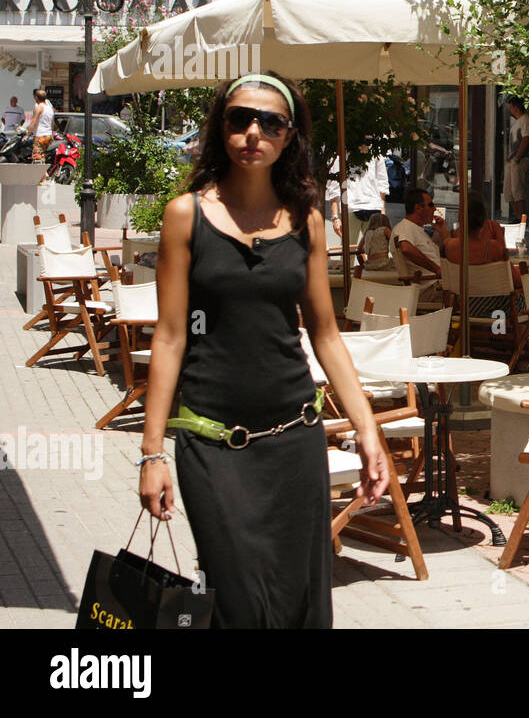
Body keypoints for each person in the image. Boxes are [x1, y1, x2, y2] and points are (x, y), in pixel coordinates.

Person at [137, 73, 387, 628]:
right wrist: (153, 453)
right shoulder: (186, 216)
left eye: (270, 122)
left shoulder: (307, 223)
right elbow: (171, 337)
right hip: (212, 443)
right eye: (240, 118)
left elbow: (325, 332)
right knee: (240, 604)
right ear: (221, 126)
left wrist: (367, 429)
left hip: (294, 439)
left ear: (289, 135)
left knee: (299, 603)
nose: (254, 132)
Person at [392, 188, 448, 302]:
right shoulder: (405, 227)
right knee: (475, 291)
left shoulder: (418, 230)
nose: (435, 209)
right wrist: (437, 269)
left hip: (438, 284)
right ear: (418, 208)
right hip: (429, 289)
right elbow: (406, 249)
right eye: (431, 205)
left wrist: (443, 233)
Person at [326, 149, 388, 247]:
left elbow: (382, 181)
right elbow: (334, 185)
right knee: (348, 253)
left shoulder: (376, 152)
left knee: (377, 251)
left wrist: (383, 211)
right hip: (350, 208)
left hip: (373, 207)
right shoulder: (342, 151)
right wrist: (335, 217)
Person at [444, 191, 509, 265]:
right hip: (488, 275)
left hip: (460, 276)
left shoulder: (448, 245)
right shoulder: (494, 247)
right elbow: (506, 265)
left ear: (461, 216)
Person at [503, 96, 529, 222]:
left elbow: (526, 139)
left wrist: (518, 157)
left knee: (517, 188)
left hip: (519, 158)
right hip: (511, 159)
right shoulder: (516, 122)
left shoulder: (525, 120)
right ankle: (516, 216)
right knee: (508, 190)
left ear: (515, 107)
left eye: (511, 106)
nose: (509, 109)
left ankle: (521, 217)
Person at [30, 88, 53, 171]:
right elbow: (52, 122)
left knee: (37, 158)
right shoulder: (50, 107)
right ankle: (45, 175)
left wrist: (27, 135)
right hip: (48, 135)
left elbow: (33, 122)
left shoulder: (39, 107)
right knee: (42, 156)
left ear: (36, 97)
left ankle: (41, 179)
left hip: (40, 135)